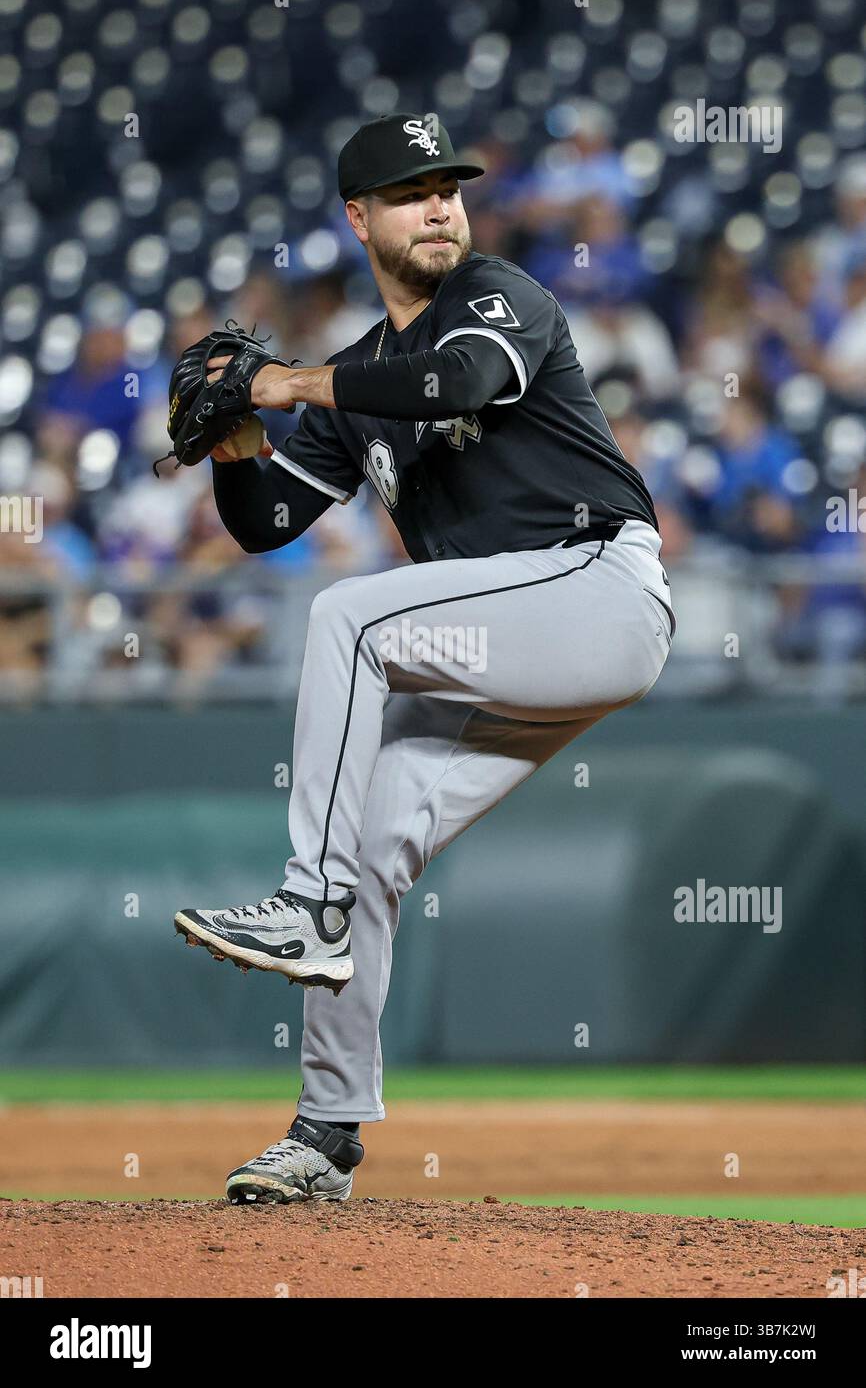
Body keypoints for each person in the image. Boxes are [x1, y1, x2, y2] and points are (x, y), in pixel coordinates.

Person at [171, 113, 675, 1204]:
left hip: (594, 589)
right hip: (492, 647)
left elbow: (457, 385)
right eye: (409, 191)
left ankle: (303, 904)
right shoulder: (360, 374)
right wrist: (230, 436)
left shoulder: (499, 298)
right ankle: (326, 1133)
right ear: (358, 219)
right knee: (372, 841)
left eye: (449, 185)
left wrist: (286, 385)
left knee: (347, 619)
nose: (439, 204)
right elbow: (263, 524)